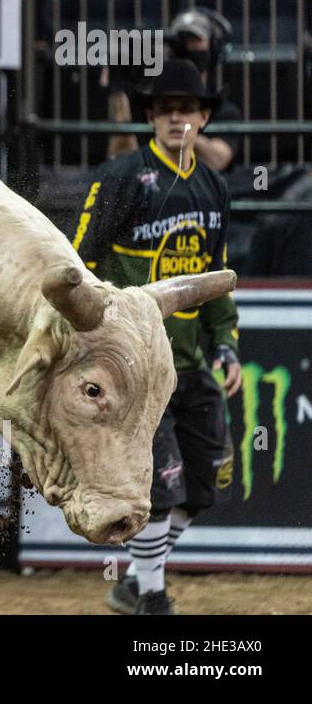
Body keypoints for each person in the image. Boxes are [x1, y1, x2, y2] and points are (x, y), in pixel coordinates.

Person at [71, 59, 242, 615]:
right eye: (166, 109)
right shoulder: (122, 176)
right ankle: (152, 596)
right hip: (138, 366)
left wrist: (226, 345)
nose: (177, 118)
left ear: (203, 117)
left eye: (187, 109)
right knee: (162, 486)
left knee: (207, 483)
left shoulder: (215, 186)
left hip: (193, 361)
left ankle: (133, 583)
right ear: (150, 117)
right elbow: (79, 260)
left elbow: (216, 276)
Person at [107, 8, 241, 172]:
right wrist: (119, 90)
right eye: (179, 38)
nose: (184, 45)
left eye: (193, 38)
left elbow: (215, 161)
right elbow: (120, 164)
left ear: (214, 47)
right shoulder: (149, 106)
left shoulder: (224, 112)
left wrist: (169, 125)